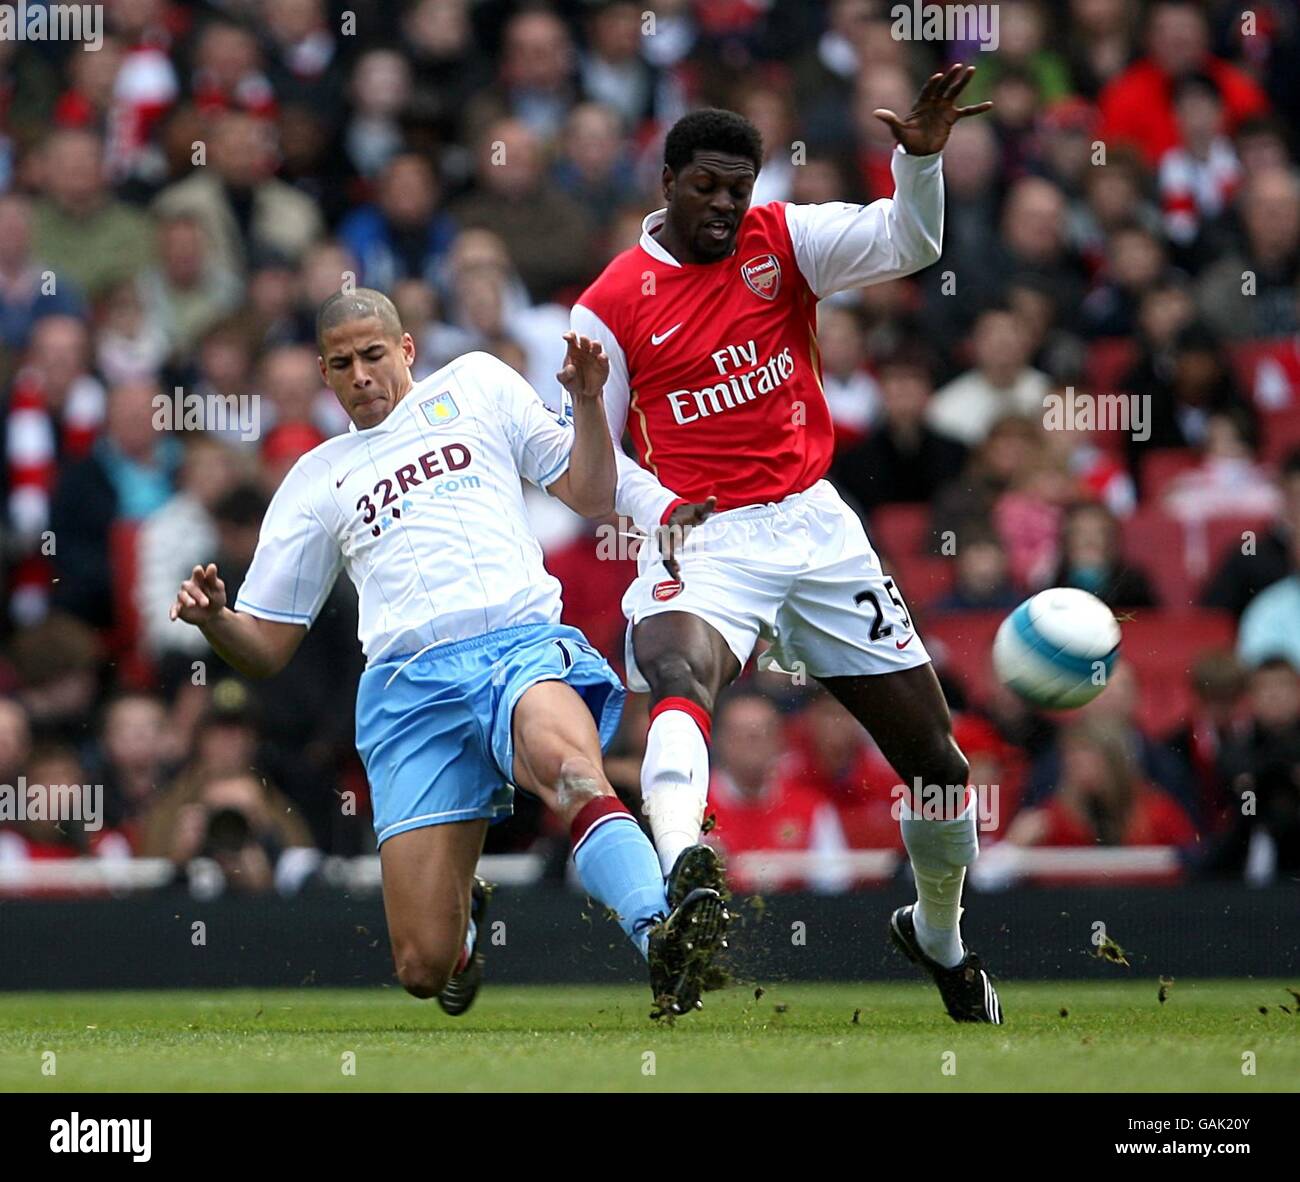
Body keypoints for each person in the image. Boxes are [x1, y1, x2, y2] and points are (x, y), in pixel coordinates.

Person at [572, 70, 1004, 1023]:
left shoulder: (784, 241)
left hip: (814, 526)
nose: (728, 205)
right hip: (707, 534)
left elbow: (910, 240)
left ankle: (939, 937)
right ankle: (688, 867)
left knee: (937, 768)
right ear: (668, 181)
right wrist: (659, 500)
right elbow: (590, 470)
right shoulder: (609, 305)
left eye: (741, 187)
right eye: (709, 186)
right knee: (676, 667)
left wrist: (919, 159)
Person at [168, 288, 725, 1019]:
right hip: (409, 693)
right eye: (343, 363)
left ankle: (661, 938)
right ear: (324, 373)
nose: (361, 374)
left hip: (516, 647)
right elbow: (268, 647)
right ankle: (460, 935)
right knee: (423, 969)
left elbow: (590, 491)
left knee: (573, 771)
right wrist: (215, 622)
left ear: (405, 350)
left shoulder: (477, 384)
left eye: (373, 354)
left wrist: (589, 404)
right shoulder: (314, 479)